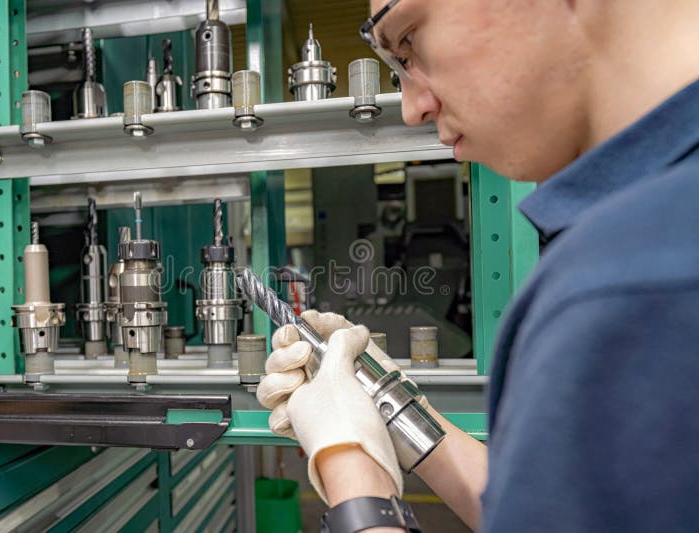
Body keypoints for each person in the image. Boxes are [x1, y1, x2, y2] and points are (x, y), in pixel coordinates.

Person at [257, 0, 699, 531]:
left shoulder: (639, 280)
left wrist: (349, 460)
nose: (412, 107)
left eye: (409, 41)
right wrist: (392, 404)